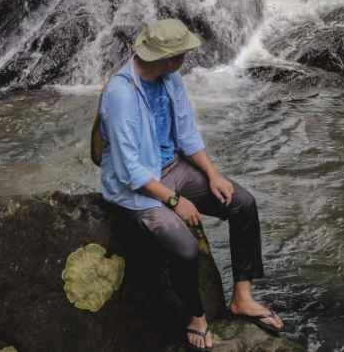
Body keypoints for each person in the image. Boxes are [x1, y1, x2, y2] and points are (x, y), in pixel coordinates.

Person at [98, 18, 284, 351]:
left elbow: (187, 135)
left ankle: (242, 297)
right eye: (182, 52)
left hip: (174, 168)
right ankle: (196, 316)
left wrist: (213, 175)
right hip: (138, 189)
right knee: (183, 247)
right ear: (167, 57)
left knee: (242, 203)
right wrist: (174, 202)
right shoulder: (120, 94)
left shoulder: (170, 79)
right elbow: (131, 172)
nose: (187, 56)